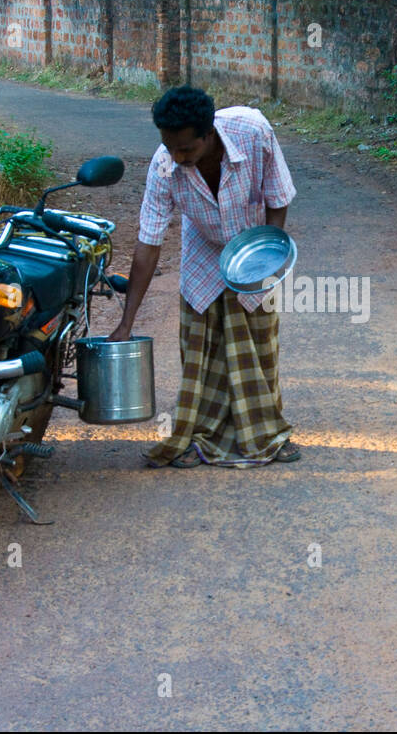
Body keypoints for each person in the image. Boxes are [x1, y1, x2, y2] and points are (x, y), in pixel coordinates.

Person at [108, 85, 300, 468]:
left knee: (258, 349)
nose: (178, 157)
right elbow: (148, 243)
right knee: (201, 352)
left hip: (254, 246)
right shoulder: (165, 165)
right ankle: (200, 436)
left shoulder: (254, 131)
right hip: (204, 251)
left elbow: (278, 199)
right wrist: (125, 322)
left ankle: (267, 436)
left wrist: (264, 260)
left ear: (208, 134)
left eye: (187, 150)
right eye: (170, 147)